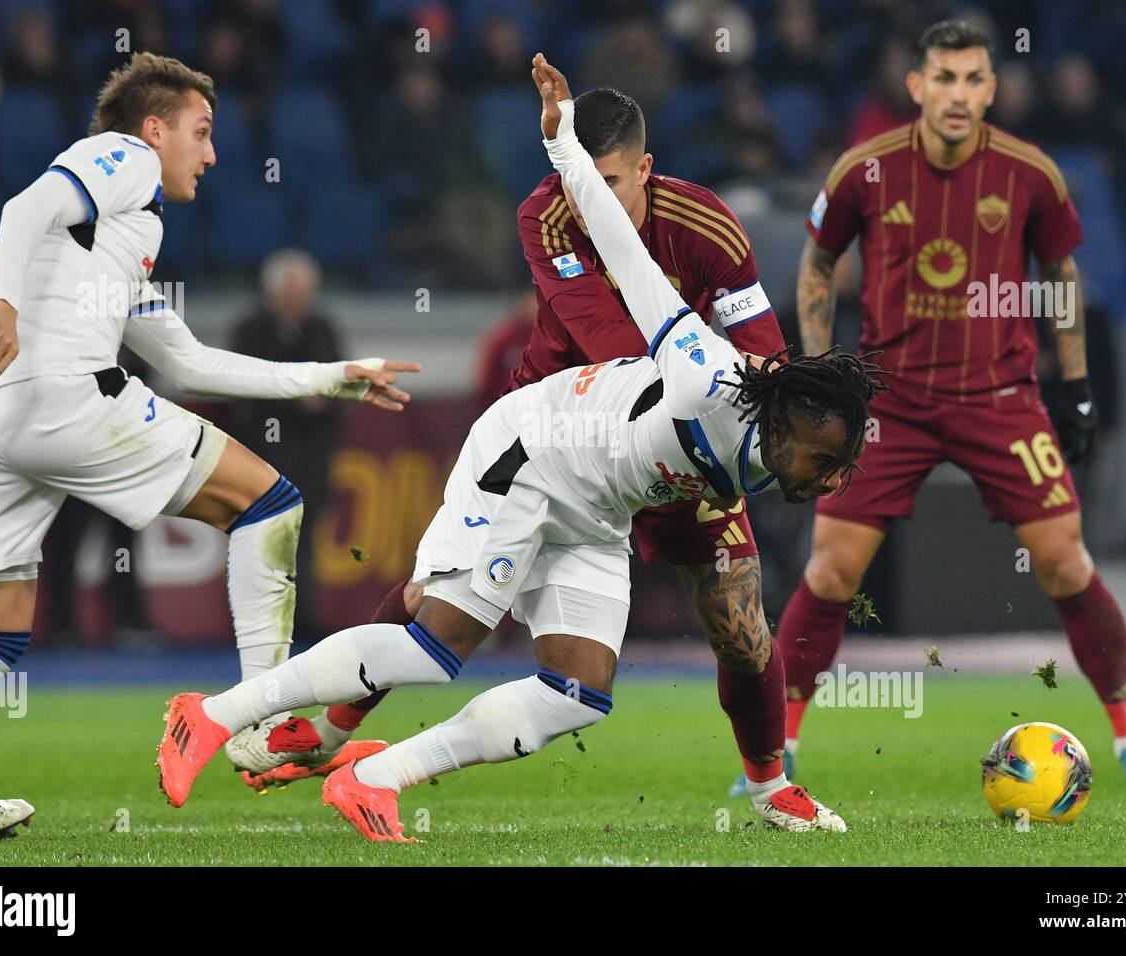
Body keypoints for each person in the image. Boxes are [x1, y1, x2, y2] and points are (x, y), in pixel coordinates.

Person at [156, 53, 884, 842]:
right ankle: (225, 716)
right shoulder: (687, 355)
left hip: (609, 494)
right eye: (827, 464)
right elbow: (624, 286)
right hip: (540, 447)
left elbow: (766, 359)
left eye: (837, 465)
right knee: (436, 640)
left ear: (648, 169)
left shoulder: (766, 390)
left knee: (591, 687)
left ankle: (375, 775)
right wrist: (561, 149)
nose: (830, 480)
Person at [253, 83, 799, 802]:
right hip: (556, 440)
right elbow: (610, 345)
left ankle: (769, 785)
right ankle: (327, 732)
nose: (588, 204)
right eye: (580, 181)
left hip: (674, 449)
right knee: (435, 604)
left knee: (740, 623)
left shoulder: (708, 228)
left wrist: (768, 416)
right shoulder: (547, 211)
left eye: (605, 185)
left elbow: (768, 361)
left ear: (646, 171)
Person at [0, 52, 416, 841]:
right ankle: (258, 723)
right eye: (201, 132)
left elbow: (187, 360)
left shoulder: (118, 234)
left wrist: (330, 375)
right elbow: (21, 207)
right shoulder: (124, 158)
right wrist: (6, 305)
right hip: (53, 389)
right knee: (271, 504)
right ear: (155, 130)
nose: (212, 154)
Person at [768, 20, 1126, 795]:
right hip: (893, 403)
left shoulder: (1032, 175)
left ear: (992, 88)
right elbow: (819, 265)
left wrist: (1079, 384)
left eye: (973, 79)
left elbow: (1059, 273)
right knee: (830, 573)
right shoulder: (865, 169)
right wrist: (819, 370)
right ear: (916, 87)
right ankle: (777, 749)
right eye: (943, 78)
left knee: (1064, 563)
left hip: (1001, 399)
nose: (958, 94)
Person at [230, 249, 344, 642]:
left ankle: (304, 617)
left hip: (310, 459)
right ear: (273, 292)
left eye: (304, 291)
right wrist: (300, 400)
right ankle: (258, 623)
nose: (299, 299)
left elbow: (337, 385)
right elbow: (244, 393)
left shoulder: (322, 328)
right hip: (266, 458)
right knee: (260, 544)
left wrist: (320, 401)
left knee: (305, 544)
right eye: (292, 291)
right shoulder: (251, 330)